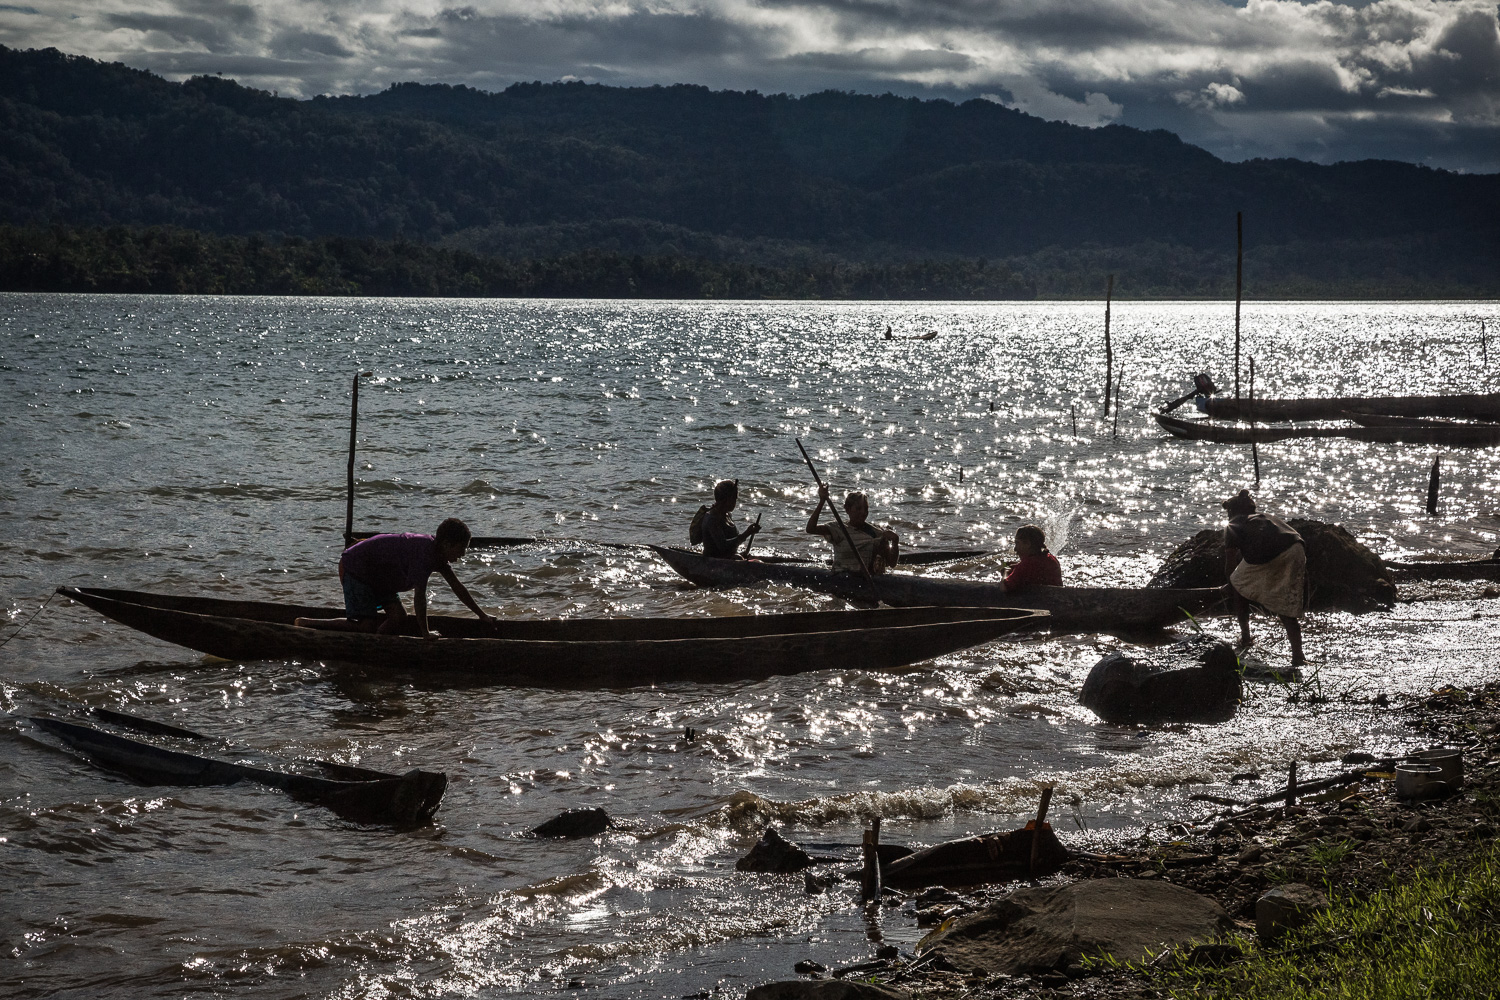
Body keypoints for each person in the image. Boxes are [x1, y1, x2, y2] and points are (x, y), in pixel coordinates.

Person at [295, 517, 493, 636]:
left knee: (398, 618)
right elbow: (420, 598)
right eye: (461, 549)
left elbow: (457, 587)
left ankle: (377, 643)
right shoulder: (424, 555)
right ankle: (307, 624)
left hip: (379, 575)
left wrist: (481, 615)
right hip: (357, 568)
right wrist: (425, 634)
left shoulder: (438, 556)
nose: (463, 554)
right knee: (366, 625)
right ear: (447, 545)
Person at [1222, 490, 1307, 666]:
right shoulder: (1266, 517)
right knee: (1286, 604)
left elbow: (1230, 562)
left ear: (1232, 512)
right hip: (1297, 549)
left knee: (1238, 585)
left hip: (1272, 554)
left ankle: (1245, 638)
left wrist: (1230, 584)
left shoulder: (1233, 524)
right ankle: (1298, 656)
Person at [806, 485, 899, 574]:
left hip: (870, 581)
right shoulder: (838, 528)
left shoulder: (878, 532)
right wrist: (822, 501)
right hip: (844, 578)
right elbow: (810, 529)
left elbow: (892, 564)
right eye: (858, 508)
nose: (863, 512)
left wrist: (895, 542)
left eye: (865, 508)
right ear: (847, 510)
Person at [700, 480, 760, 559]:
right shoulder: (712, 518)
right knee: (738, 558)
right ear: (725, 499)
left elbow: (731, 547)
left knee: (772, 559)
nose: (735, 502)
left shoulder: (727, 515)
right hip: (714, 561)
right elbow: (723, 547)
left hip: (730, 557)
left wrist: (742, 554)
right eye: (734, 499)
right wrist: (747, 533)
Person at [1001, 524, 1062, 592]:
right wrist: (1018, 566)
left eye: (1017, 543)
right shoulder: (1051, 559)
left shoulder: (1026, 566)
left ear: (1028, 544)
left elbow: (1005, 588)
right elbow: (1035, 568)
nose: (1015, 549)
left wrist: (1006, 572)